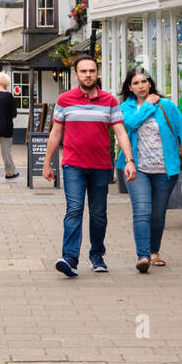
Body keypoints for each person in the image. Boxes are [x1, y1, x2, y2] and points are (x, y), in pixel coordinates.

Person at [42, 55, 136, 278]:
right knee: (74, 209)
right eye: (83, 71)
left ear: (97, 73)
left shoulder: (110, 101)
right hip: (73, 165)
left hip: (101, 166)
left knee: (98, 214)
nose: (88, 75)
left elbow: (121, 132)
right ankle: (70, 259)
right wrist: (47, 163)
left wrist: (130, 161)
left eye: (92, 71)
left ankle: (97, 255)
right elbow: (56, 133)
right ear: (76, 75)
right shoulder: (65, 100)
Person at [117, 67, 182, 272]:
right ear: (130, 87)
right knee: (142, 211)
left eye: (144, 82)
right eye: (136, 83)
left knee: (158, 214)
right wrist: (148, 105)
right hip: (137, 168)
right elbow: (131, 124)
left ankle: (154, 251)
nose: (140, 86)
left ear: (150, 83)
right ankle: (143, 256)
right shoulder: (127, 107)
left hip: (165, 170)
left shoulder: (167, 105)